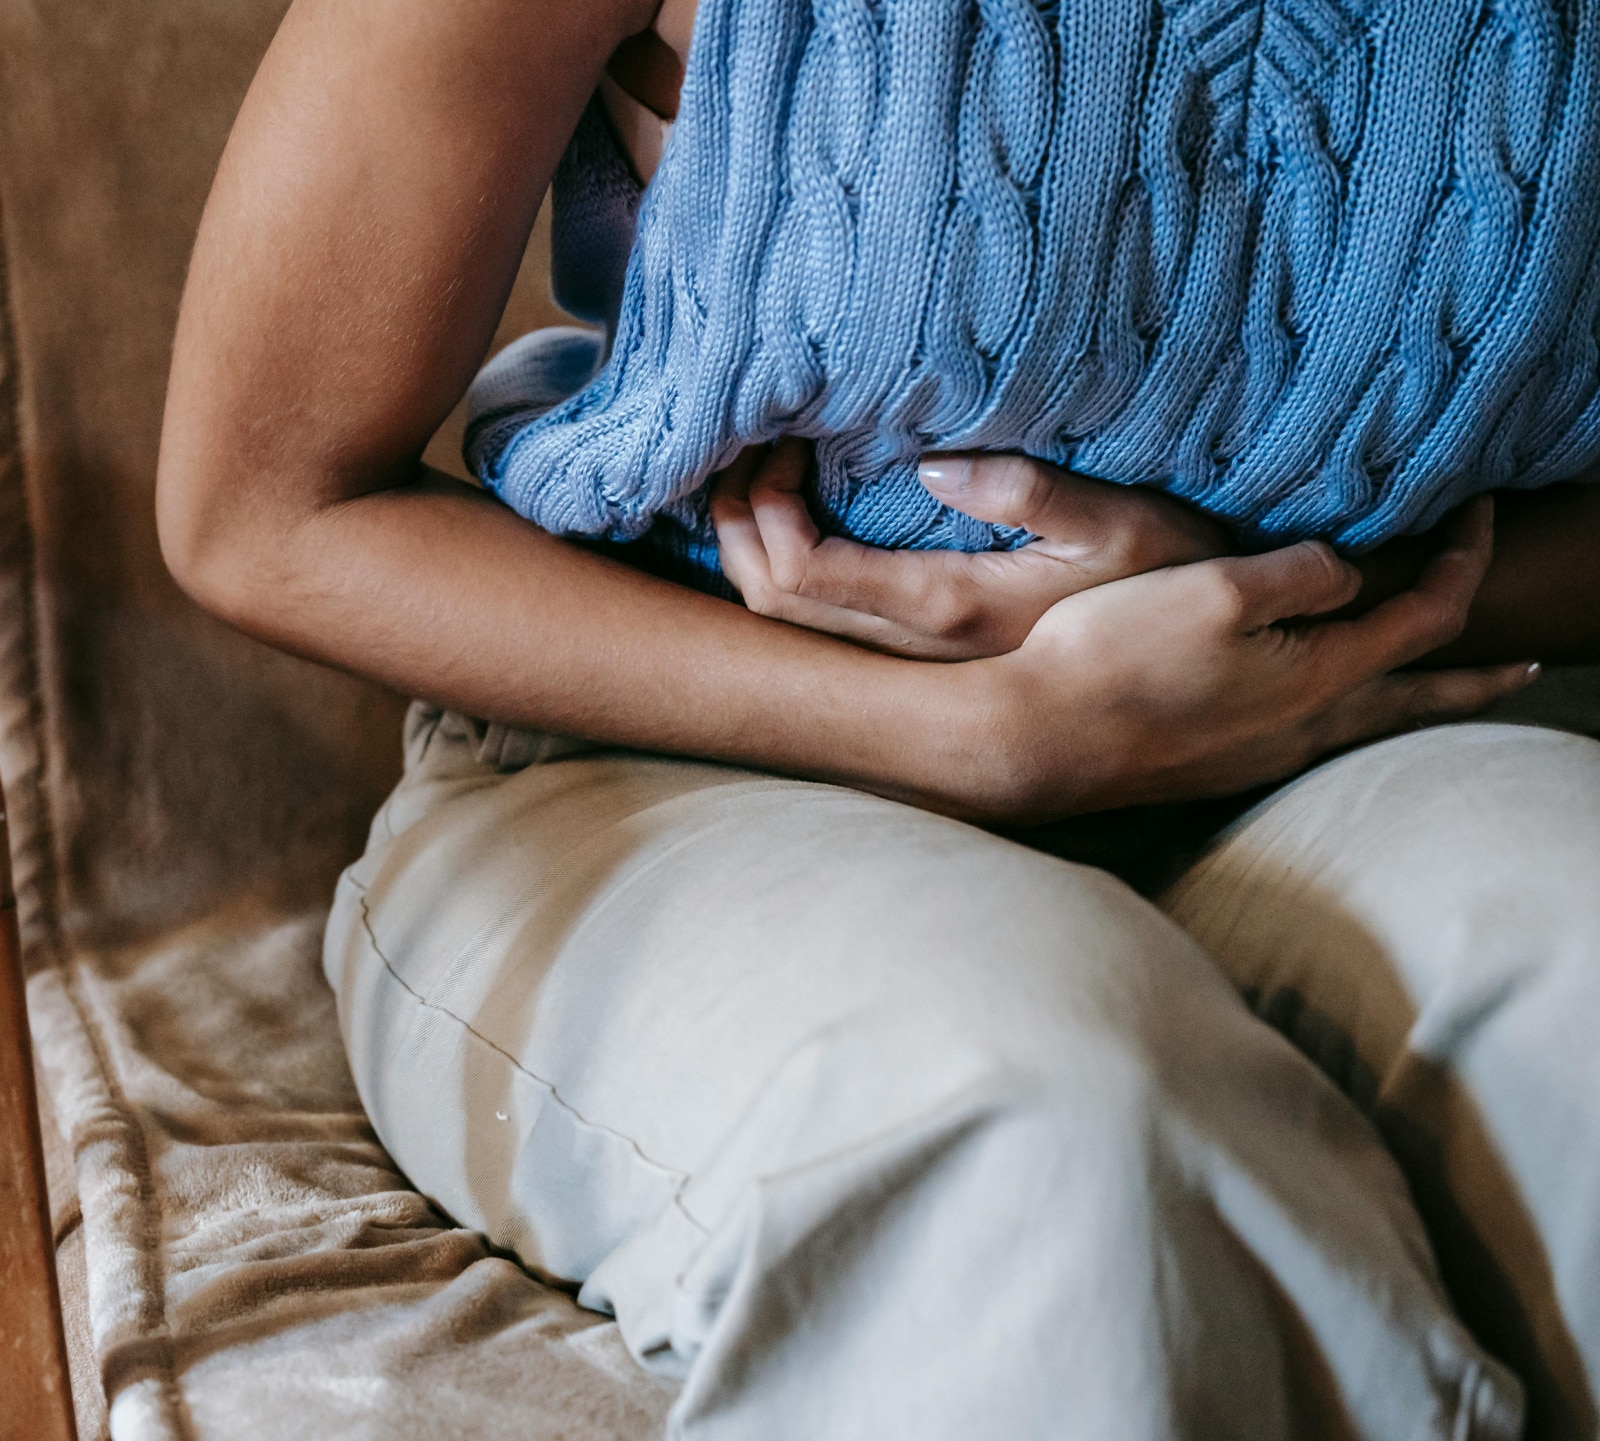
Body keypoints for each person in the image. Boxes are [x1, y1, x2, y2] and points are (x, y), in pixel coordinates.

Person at [154, 0, 1600, 1435]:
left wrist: (1264, 605)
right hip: (681, 766)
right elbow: (264, 509)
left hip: (1332, 732)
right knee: (1052, 1139)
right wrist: (984, 734)